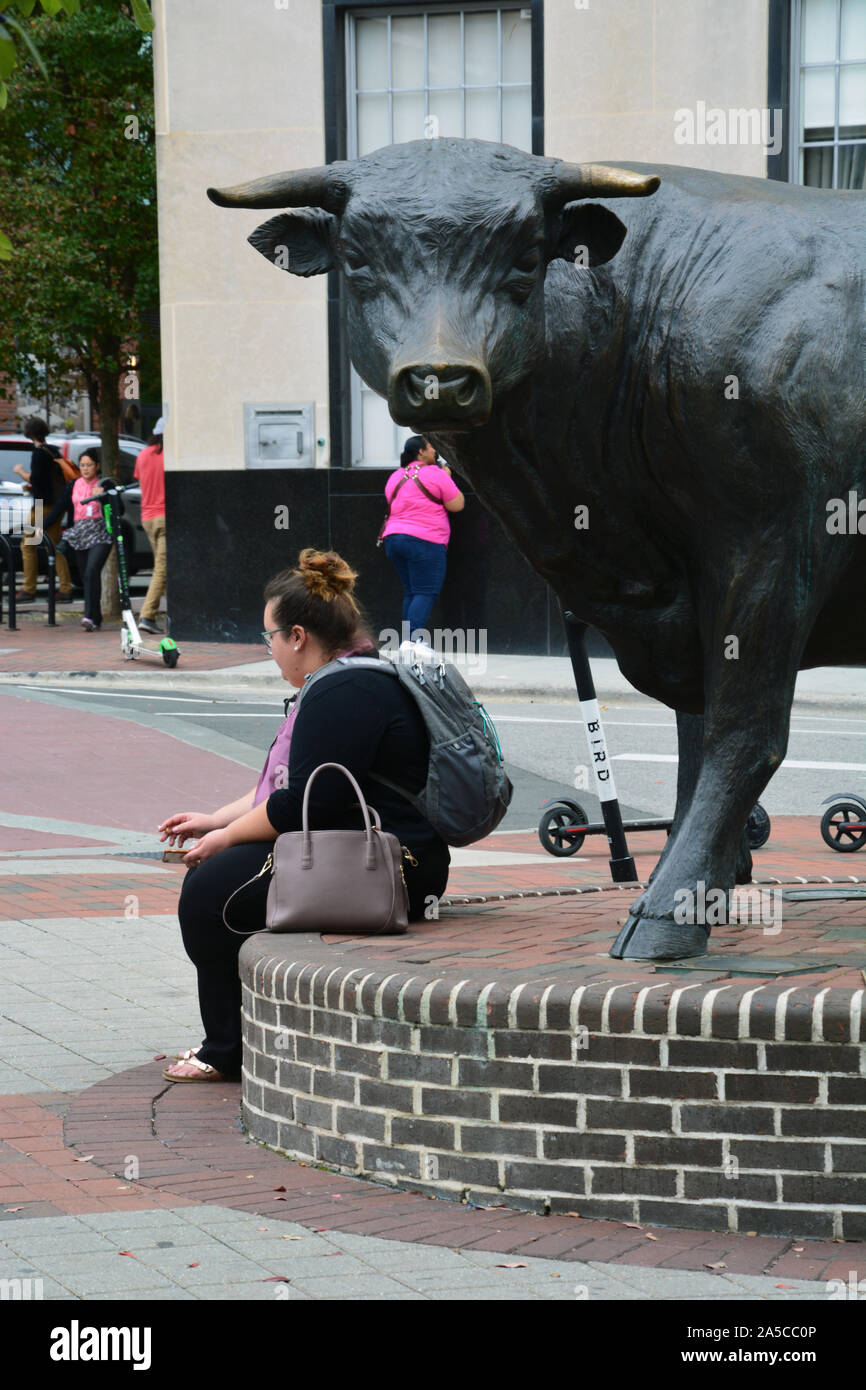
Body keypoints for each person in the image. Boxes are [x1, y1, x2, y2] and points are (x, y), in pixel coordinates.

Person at [157, 549, 450, 1082]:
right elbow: (284, 790)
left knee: (208, 896)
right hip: (360, 847)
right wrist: (213, 820)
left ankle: (226, 1049)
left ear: (297, 635)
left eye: (268, 637)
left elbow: (297, 806)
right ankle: (243, 1036)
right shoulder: (346, 679)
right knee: (213, 881)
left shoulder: (345, 690)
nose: (268, 649)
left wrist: (223, 840)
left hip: (392, 863)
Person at [381, 436, 465, 641]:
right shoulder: (435, 474)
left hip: (393, 539)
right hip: (425, 541)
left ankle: (408, 642)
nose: (434, 451)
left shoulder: (396, 476)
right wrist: (448, 477)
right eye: (430, 447)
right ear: (421, 452)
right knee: (425, 592)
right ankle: (413, 642)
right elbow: (457, 504)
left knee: (412, 592)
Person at [43, 448, 113, 631]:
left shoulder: (105, 484)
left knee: (91, 571)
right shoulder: (73, 485)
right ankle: (96, 618)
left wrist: (103, 498)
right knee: (85, 577)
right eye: (82, 465)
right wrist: (40, 527)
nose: (85, 468)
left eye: (89, 465)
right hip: (80, 534)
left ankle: (88, 616)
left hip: (100, 534)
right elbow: (59, 508)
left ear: (97, 466)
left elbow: (117, 509)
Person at [13, 417, 74, 603]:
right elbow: (49, 481)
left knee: (28, 546)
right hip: (57, 505)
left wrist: (20, 472)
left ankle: (29, 588)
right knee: (54, 546)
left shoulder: (39, 453)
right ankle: (65, 588)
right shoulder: (53, 451)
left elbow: (37, 479)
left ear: (29, 433)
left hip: (41, 506)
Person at [133, 419, 166, 635]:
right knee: (162, 568)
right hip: (165, 516)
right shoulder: (170, 456)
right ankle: (147, 614)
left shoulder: (143, 454)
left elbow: (140, 480)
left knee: (165, 567)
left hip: (147, 517)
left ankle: (174, 614)